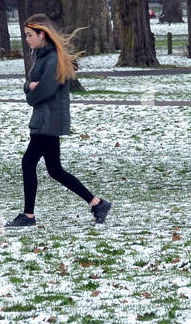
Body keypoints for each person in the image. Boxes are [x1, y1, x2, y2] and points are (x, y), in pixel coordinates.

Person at [6, 14, 112, 227]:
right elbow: (30, 84)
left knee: (29, 163)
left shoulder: (52, 58)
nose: (26, 39)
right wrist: (29, 87)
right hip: (44, 119)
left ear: (41, 34)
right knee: (55, 170)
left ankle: (28, 216)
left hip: (49, 121)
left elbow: (42, 90)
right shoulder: (42, 55)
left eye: (29, 35)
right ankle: (97, 203)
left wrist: (30, 92)